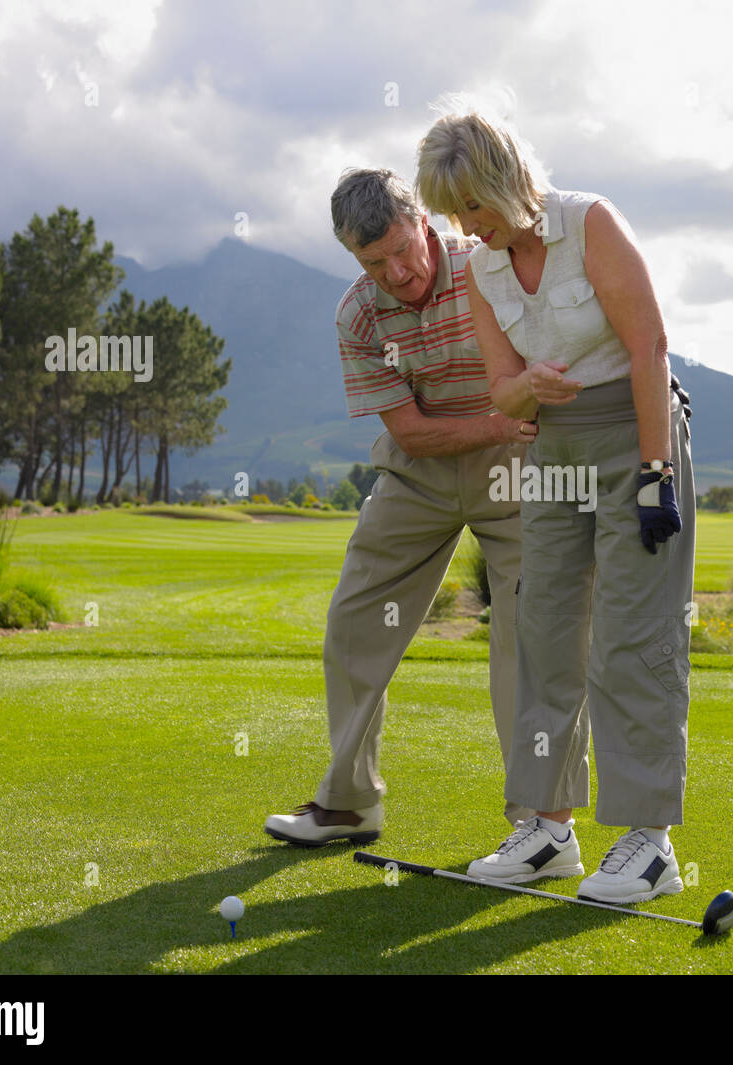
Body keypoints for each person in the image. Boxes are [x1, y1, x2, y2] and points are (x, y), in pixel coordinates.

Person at [415, 108, 696, 904]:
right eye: (454, 214)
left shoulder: (590, 223)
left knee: (632, 635)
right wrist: (525, 388)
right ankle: (548, 829)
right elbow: (500, 385)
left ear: (504, 179)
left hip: (633, 430)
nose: (467, 226)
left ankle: (648, 842)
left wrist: (653, 473)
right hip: (552, 450)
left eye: (473, 206)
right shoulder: (480, 268)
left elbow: (649, 349)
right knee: (540, 627)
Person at [264, 168, 590, 846]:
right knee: (355, 619)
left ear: (425, 226)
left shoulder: (489, 266)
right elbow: (409, 431)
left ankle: (540, 821)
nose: (396, 271)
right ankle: (350, 804)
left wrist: (522, 431)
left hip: (519, 465)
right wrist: (501, 424)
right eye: (373, 261)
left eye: (402, 250)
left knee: (531, 637)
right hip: (422, 468)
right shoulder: (358, 314)